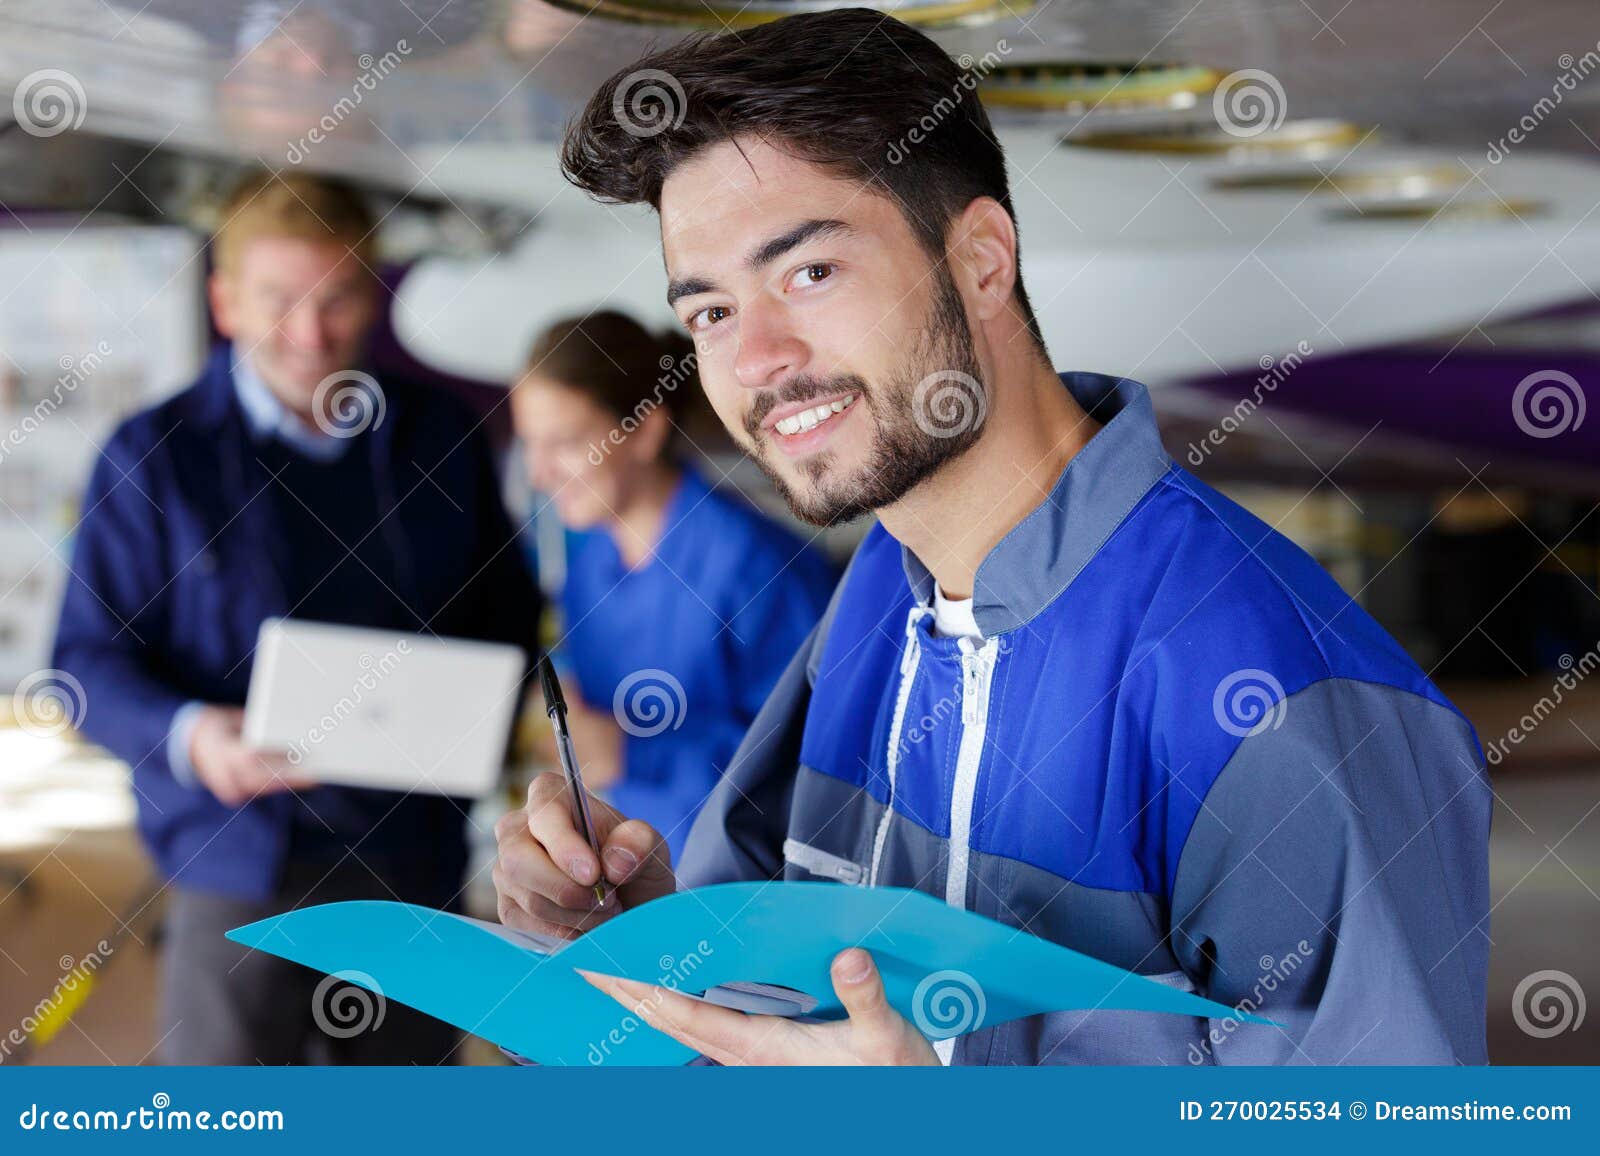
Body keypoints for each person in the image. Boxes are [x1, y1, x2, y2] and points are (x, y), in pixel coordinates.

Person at [492, 9, 1490, 1065]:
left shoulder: (1285, 693)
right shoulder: (881, 599)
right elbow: (780, 985)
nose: (757, 359)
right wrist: (646, 937)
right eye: (710, 313)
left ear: (980, 259)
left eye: (810, 273)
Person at [53, 171, 540, 1065]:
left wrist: (484, 725)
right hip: (238, 858)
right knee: (229, 1115)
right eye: (279, 302)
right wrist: (194, 735)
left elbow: (506, 608)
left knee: (402, 1113)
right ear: (224, 302)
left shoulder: (440, 434)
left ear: (375, 295)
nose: (312, 335)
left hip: (411, 852)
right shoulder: (154, 456)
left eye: (339, 299)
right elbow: (85, 662)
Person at [510, 310, 836, 862]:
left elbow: (817, 766)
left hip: (747, 885)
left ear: (646, 430)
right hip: (632, 872)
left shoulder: (757, 566)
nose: (539, 474)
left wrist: (633, 753)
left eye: (564, 442)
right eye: (529, 444)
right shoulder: (589, 565)